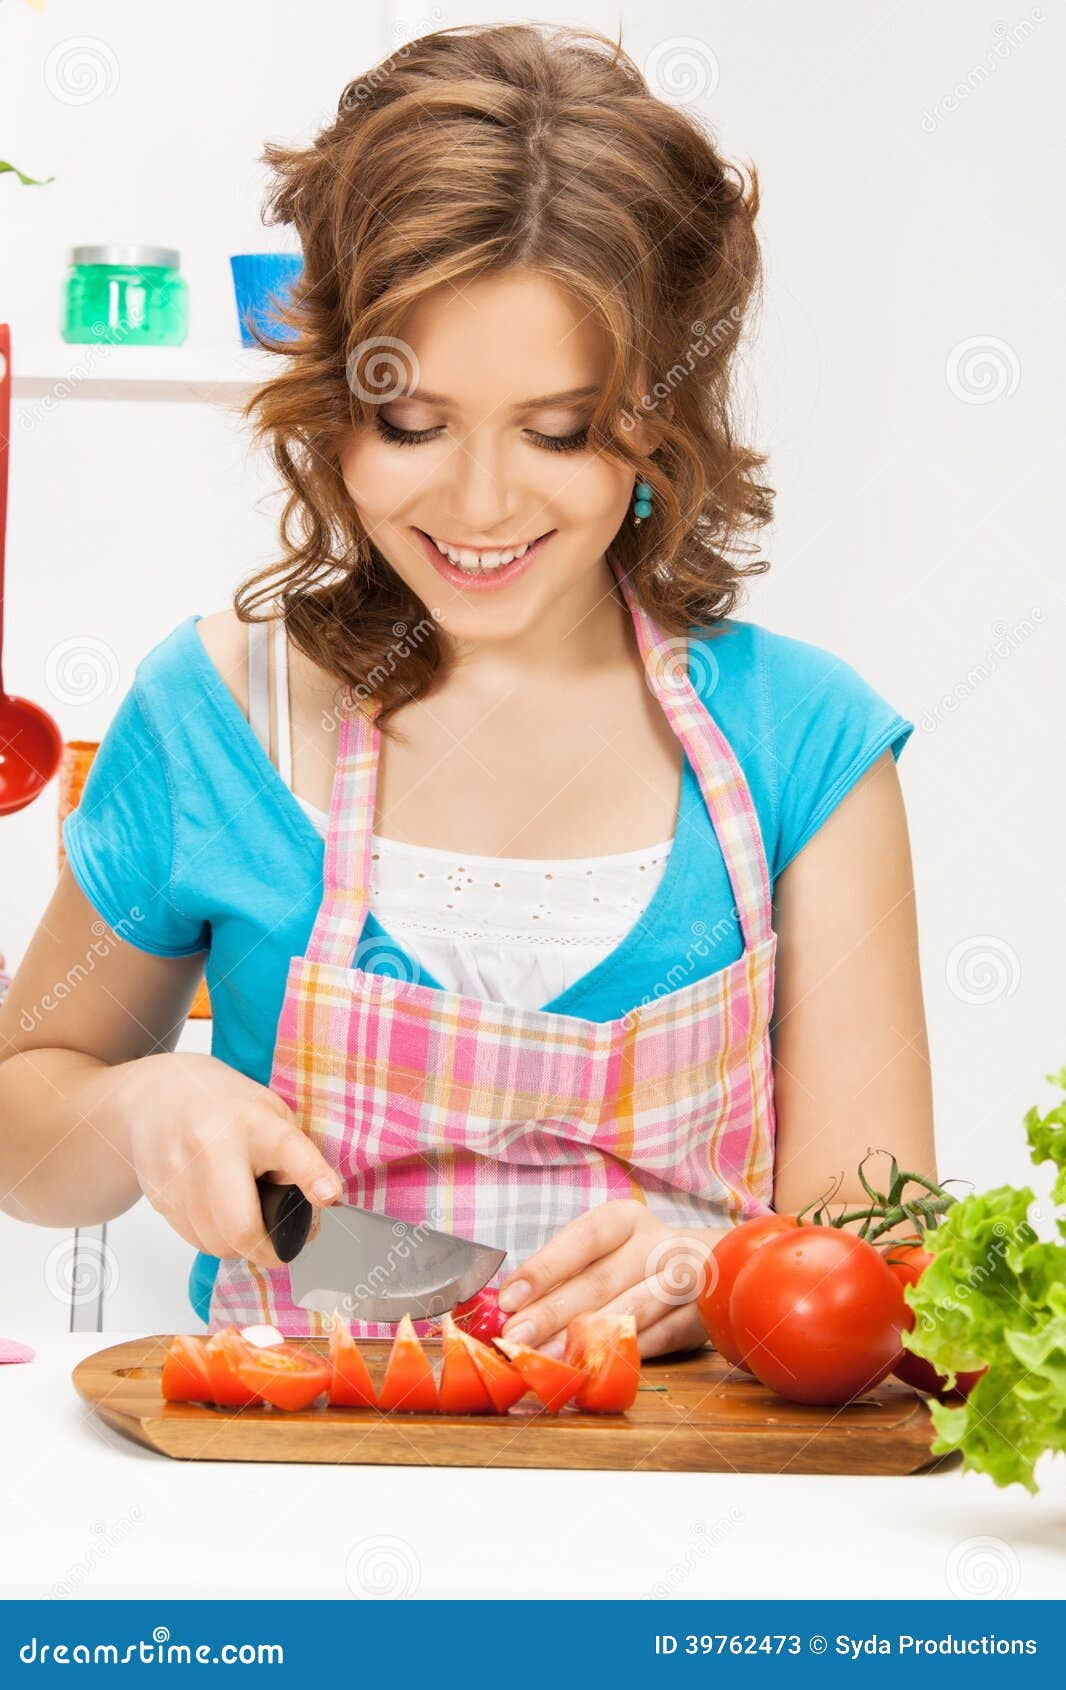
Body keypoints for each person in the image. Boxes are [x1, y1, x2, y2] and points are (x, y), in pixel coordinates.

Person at [0, 23, 934, 1357]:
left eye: (559, 430)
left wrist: (716, 1273)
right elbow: (24, 1122)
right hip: (290, 1469)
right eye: (412, 422)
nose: (482, 504)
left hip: (689, 1473)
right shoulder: (210, 717)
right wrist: (139, 1108)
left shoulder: (806, 747)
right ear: (330, 400)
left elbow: (883, 1257)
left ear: (661, 417)